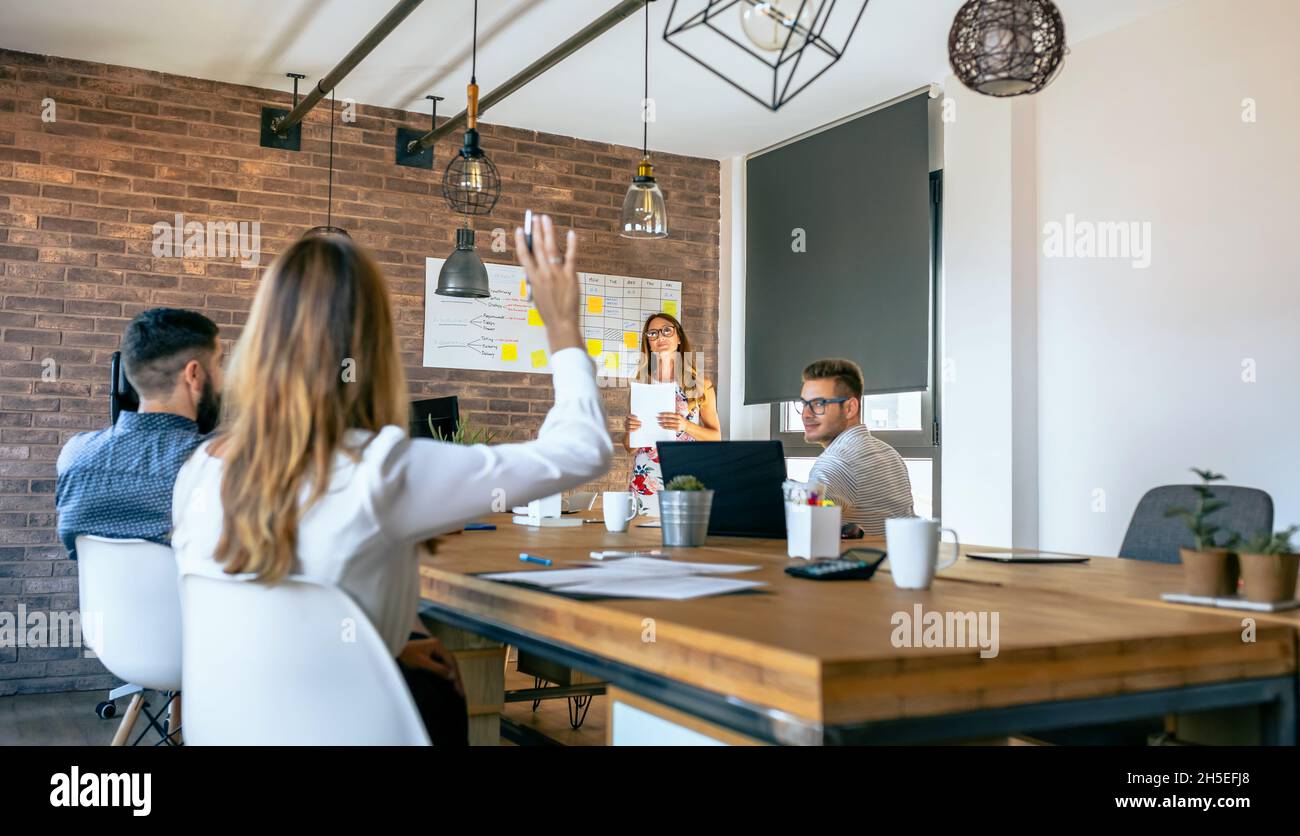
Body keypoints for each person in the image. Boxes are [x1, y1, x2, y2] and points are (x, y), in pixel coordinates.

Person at [170, 219, 612, 745]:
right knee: (442, 692)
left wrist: (382, 644)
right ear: (372, 344)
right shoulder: (381, 471)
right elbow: (582, 451)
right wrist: (562, 326)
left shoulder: (199, 470)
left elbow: (272, 614)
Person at [55, 308, 223, 559]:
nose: (223, 377)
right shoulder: (218, 461)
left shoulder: (74, 454)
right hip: (195, 598)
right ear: (194, 374)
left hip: (100, 600)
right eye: (219, 364)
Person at [799, 358, 913, 536]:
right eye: (804, 404)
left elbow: (806, 529)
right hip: (894, 560)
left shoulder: (835, 463)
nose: (806, 414)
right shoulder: (889, 453)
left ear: (850, 408)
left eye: (818, 404)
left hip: (857, 562)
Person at [623, 312, 721, 501]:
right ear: (649, 344)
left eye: (667, 331)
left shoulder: (701, 385)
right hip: (646, 480)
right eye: (653, 334)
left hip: (687, 478)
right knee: (641, 531)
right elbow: (630, 448)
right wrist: (630, 432)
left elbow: (715, 437)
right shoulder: (642, 386)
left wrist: (686, 426)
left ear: (678, 338)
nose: (660, 337)